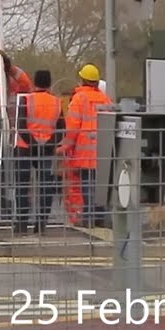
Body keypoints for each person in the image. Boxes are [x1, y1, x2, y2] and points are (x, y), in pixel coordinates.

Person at [57, 63, 112, 228]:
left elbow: (72, 127)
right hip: (104, 151)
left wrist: (64, 147)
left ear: (82, 80)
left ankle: (89, 219)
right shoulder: (106, 99)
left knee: (87, 186)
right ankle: (101, 218)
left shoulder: (79, 99)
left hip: (85, 153)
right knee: (101, 186)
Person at [12, 70, 65, 235]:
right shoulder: (57, 102)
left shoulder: (26, 100)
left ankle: (21, 225)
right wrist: (47, 144)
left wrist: (33, 144)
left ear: (34, 82)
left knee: (22, 187)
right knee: (46, 187)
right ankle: (41, 225)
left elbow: (20, 125)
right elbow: (61, 128)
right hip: (47, 150)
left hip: (24, 149)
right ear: (49, 83)